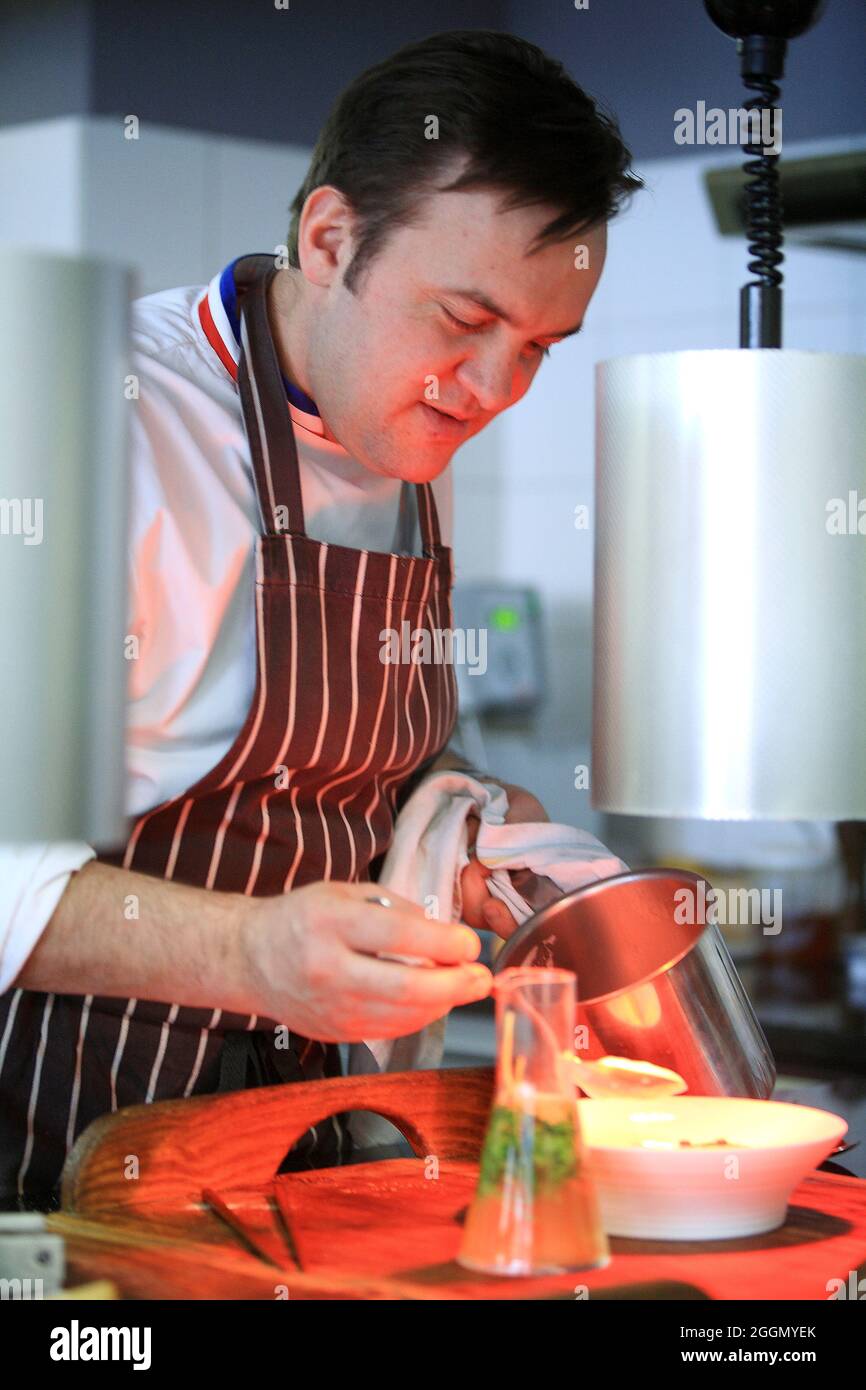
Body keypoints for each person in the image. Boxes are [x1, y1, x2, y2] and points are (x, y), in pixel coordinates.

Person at [0, 29, 641, 1209]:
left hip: (318, 1153)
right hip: (67, 1157)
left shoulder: (402, 419)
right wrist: (251, 955)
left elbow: (334, 763)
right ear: (329, 238)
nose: (495, 390)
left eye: (538, 350)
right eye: (463, 319)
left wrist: (467, 818)